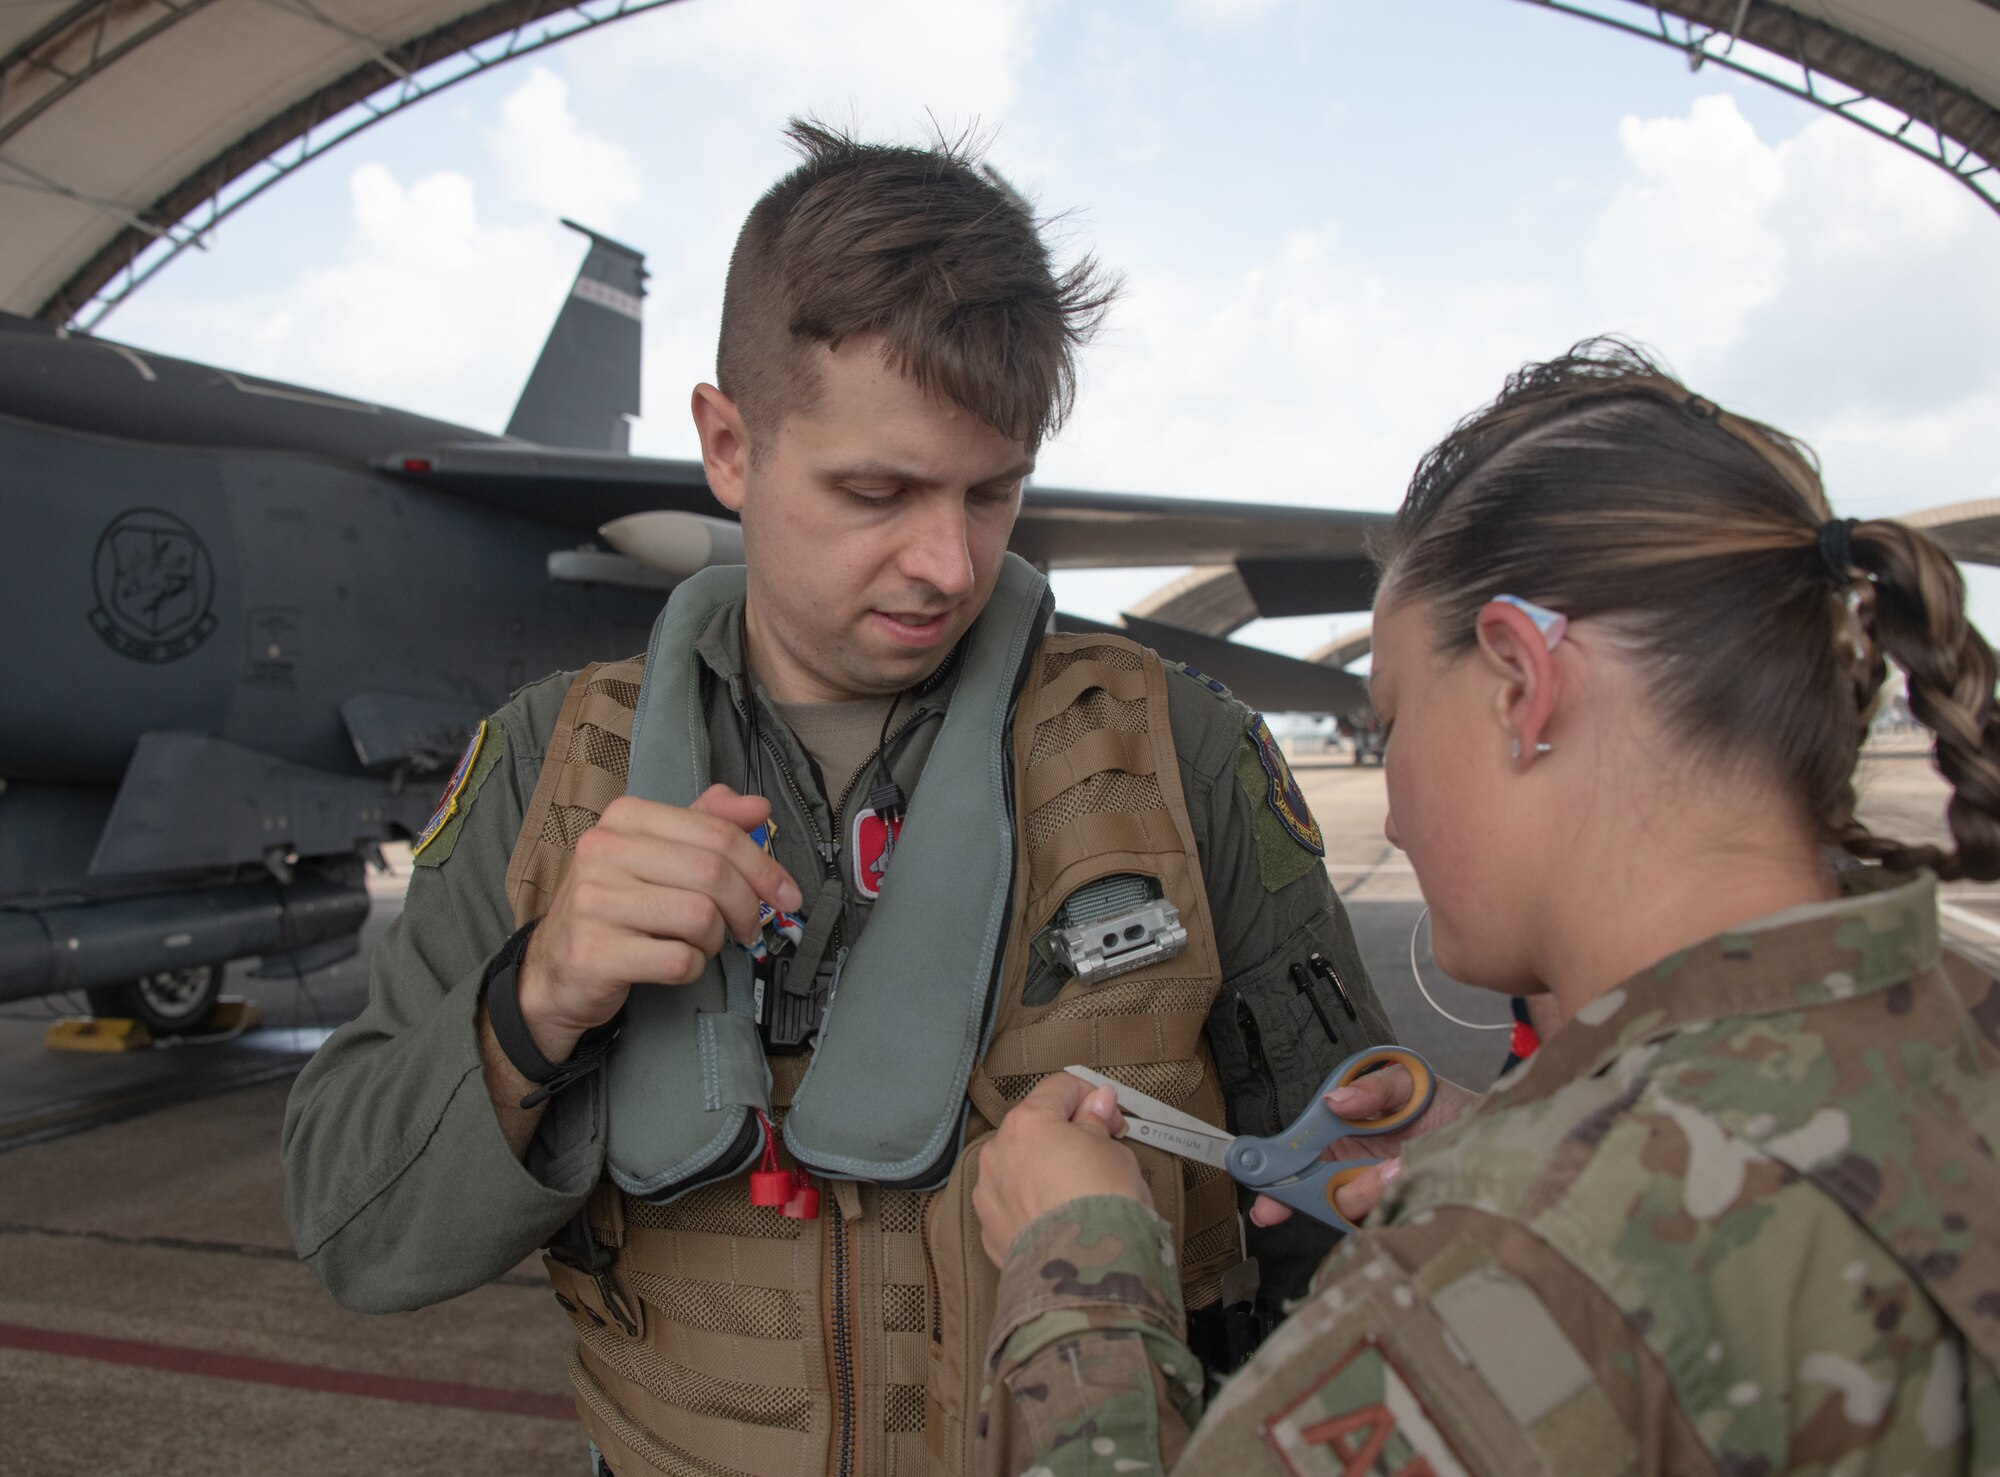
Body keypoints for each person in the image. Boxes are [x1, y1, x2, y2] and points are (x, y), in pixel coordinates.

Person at [281, 121, 1399, 1477]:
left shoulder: (1180, 753)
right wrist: (536, 1002)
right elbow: (354, 1233)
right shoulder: (544, 767)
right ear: (728, 445)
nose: (947, 560)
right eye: (877, 491)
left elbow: (1353, 1216)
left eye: (995, 493)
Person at [972, 340, 2000, 1476]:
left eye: (1396, 711)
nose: (1397, 806)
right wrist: (1534, 1138)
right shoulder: (1949, 1028)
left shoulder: (1520, 1262)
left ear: (1518, 681)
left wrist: (1077, 1280)